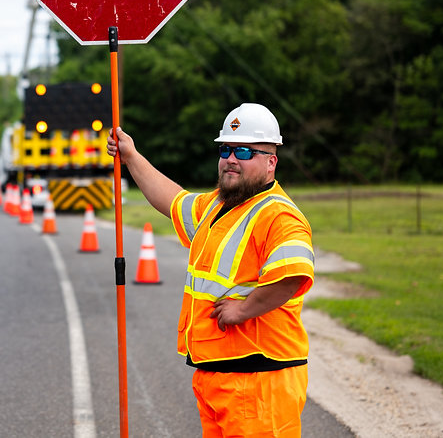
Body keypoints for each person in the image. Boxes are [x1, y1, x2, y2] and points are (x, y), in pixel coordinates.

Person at [107, 103, 315, 437]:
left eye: (245, 150)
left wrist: (243, 310)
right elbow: (172, 200)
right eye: (226, 149)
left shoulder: (278, 215)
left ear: (270, 162)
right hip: (218, 377)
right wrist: (131, 156)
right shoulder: (217, 205)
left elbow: (293, 275)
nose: (232, 158)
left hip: (258, 380)